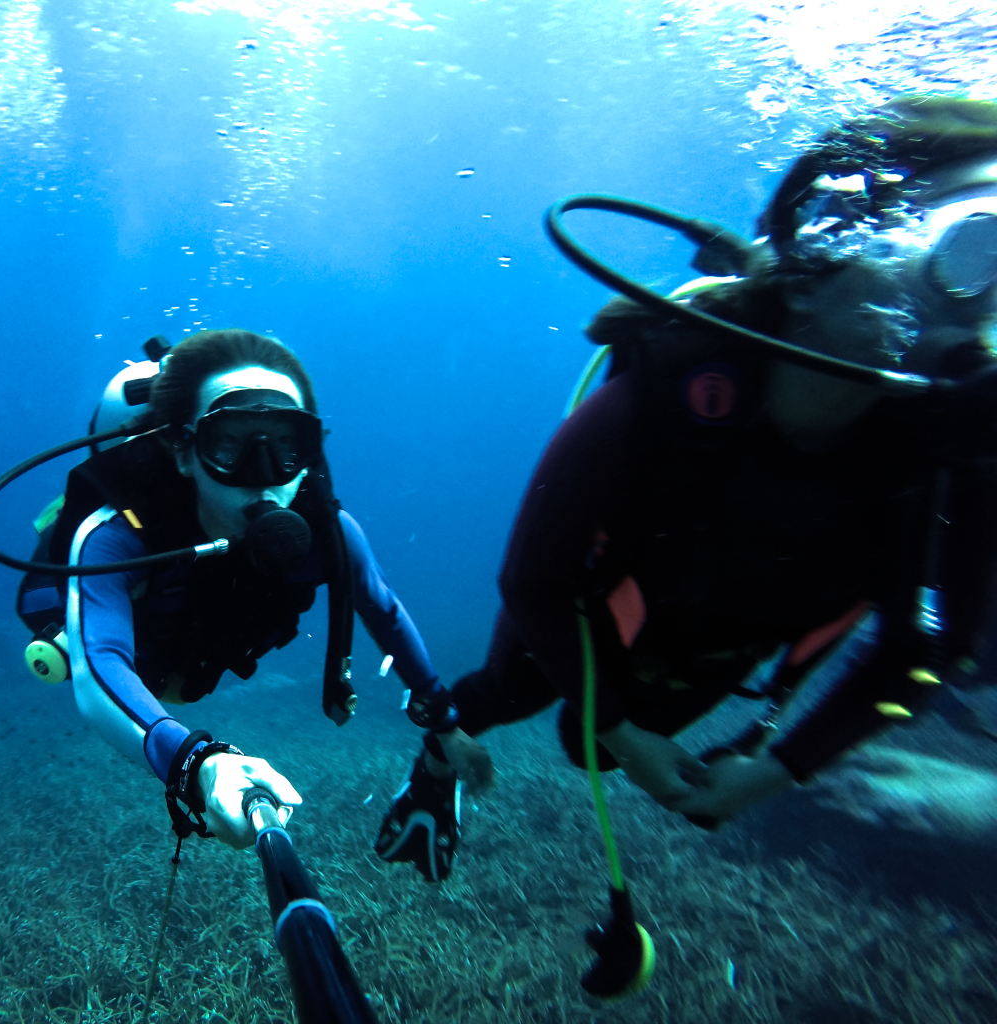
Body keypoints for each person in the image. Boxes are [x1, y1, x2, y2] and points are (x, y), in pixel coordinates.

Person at [377, 94, 997, 881]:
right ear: (811, 271)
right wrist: (628, 737)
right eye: (973, 248)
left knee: (585, 748)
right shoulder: (674, 394)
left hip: (725, 637)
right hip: (599, 604)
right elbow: (532, 581)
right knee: (511, 692)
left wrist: (777, 770)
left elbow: (926, 652)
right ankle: (434, 774)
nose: (979, 308)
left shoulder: (946, 448)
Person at [30, 329, 491, 849]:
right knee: (126, 649)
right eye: (230, 442)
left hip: (200, 651)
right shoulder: (118, 534)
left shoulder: (330, 534)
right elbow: (100, 666)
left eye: (286, 445)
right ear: (183, 452)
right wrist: (196, 764)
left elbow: (382, 608)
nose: (265, 476)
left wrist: (445, 723)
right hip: (152, 649)